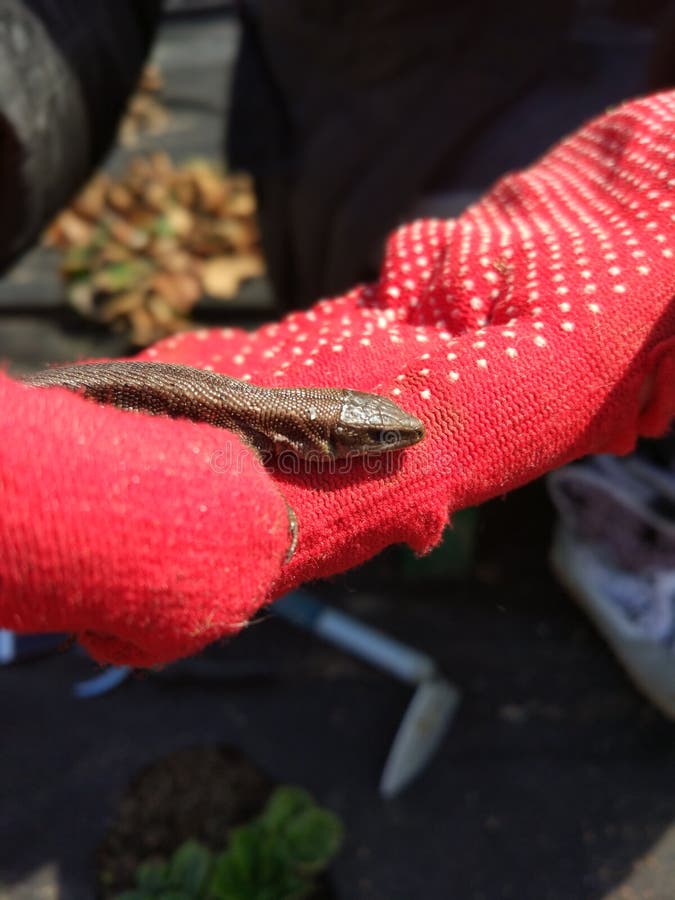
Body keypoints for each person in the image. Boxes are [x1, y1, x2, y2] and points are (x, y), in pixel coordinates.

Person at [1, 2, 675, 696]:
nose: (395, 439)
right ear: (328, 438)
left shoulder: (295, 423)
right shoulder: (281, 427)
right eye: (377, 433)